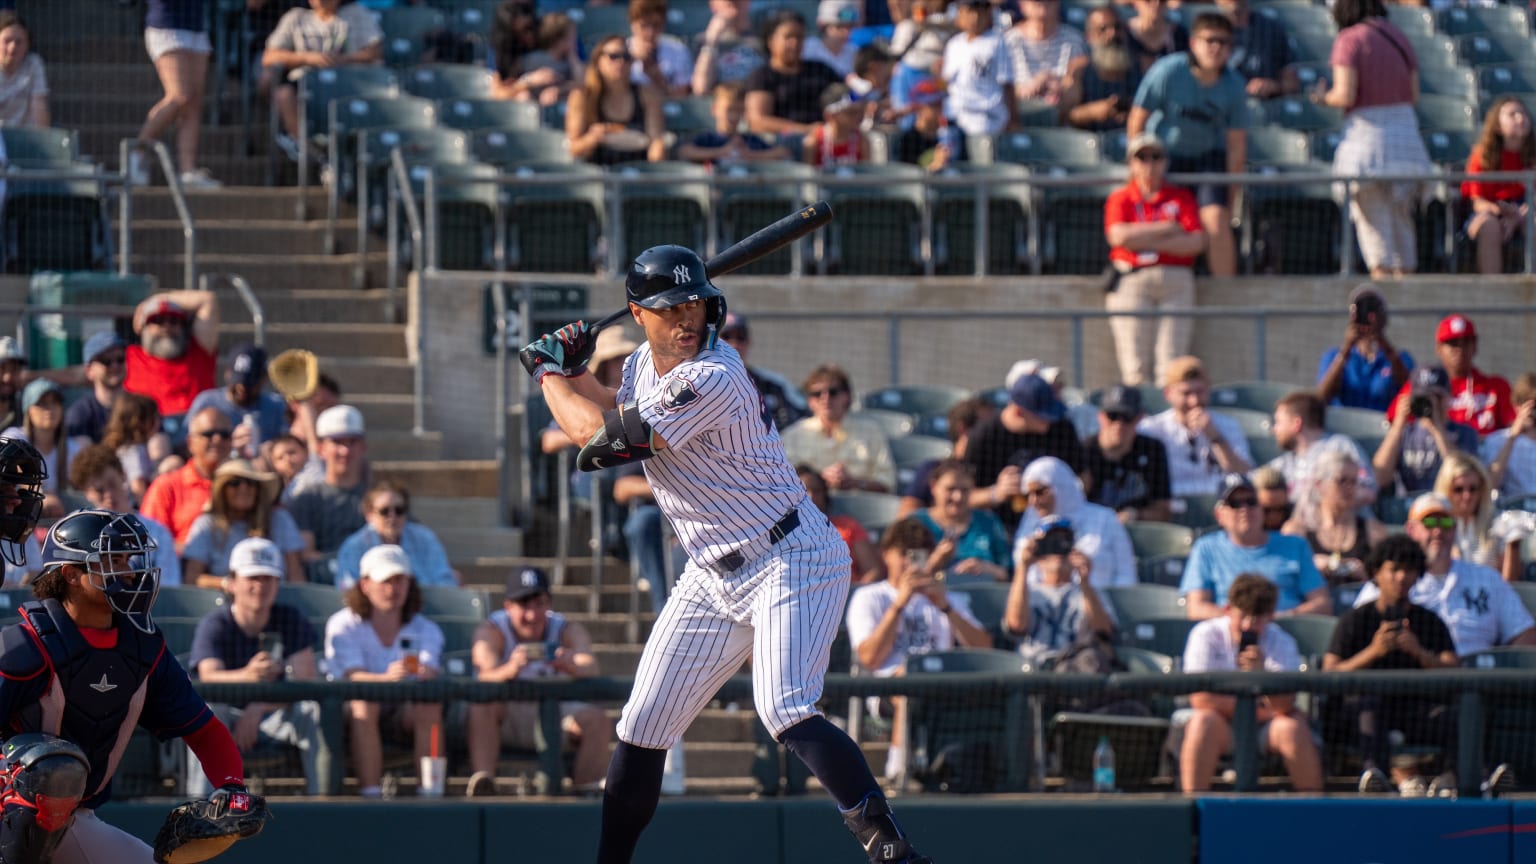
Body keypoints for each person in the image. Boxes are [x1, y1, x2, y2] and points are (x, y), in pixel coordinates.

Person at [525, 243, 937, 863]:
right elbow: (610, 407)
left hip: (790, 555)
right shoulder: (639, 365)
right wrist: (575, 368)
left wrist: (546, 372)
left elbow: (599, 439)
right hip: (711, 573)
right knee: (642, 726)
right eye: (672, 308)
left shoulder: (715, 375)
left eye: (696, 303)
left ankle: (892, 850)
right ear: (639, 314)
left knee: (784, 705)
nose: (689, 318)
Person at [0, 509, 256, 861]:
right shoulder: (25, 646)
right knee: (48, 767)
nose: (128, 570)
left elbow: (204, 730)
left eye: (126, 558)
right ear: (71, 574)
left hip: (72, 819)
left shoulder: (142, 647)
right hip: (11, 813)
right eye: (111, 560)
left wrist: (232, 788)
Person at [845, 517, 991, 782]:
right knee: (907, 681)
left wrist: (945, 606)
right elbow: (869, 658)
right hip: (888, 689)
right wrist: (900, 604)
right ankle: (899, 770)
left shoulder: (946, 597)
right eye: (904, 554)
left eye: (919, 555)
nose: (911, 563)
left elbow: (985, 650)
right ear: (886, 555)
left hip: (944, 685)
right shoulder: (870, 597)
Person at [185, 536, 325, 797]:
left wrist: (259, 706)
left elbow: (306, 682)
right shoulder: (216, 622)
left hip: (275, 716)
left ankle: (323, 801)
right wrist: (248, 676)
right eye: (252, 577)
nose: (260, 585)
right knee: (207, 712)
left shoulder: (290, 617)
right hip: (227, 718)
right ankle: (201, 809)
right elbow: (208, 676)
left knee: (312, 711)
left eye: (268, 578)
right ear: (234, 582)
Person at [1322, 535, 1457, 797]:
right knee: (1368, 706)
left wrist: (1418, 652)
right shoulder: (1355, 619)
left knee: (1457, 716)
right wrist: (1373, 652)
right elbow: (1330, 672)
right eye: (1394, 569)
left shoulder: (1429, 620)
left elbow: (1453, 668)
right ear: (1377, 573)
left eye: (1408, 569)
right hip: (1363, 713)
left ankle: (1455, 778)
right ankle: (1375, 777)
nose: (1401, 577)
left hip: (1416, 710)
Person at [465, 567, 610, 796]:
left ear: (549, 603)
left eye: (539, 604)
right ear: (508, 606)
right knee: (482, 705)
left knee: (598, 721)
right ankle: (485, 782)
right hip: (509, 716)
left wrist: (570, 663)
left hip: (555, 712)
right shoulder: (493, 629)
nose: (532, 615)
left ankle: (586, 793)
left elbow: (591, 666)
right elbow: (483, 675)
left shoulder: (563, 627)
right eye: (524, 605)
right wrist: (510, 669)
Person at [1315, 0, 1431, 280]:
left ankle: (1384, 289)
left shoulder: (1349, 39)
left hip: (1367, 140)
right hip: (1406, 137)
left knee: (1373, 219)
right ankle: (1408, 287)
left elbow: (1345, 95)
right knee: (1401, 217)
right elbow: (1413, 96)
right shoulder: (1400, 36)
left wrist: (1321, 97)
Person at [1127, 12, 1249, 278]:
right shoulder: (1169, 71)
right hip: (1163, 157)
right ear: (1193, 43)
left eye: (1224, 42)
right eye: (1210, 40)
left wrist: (1230, 200)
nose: (1216, 48)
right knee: (1163, 221)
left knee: (1216, 220)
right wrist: (1137, 168)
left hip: (1206, 157)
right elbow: (1137, 119)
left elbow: (1237, 146)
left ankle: (1227, 293)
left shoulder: (1234, 86)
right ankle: (1148, 275)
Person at [1178, 573, 1324, 793]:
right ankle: (1192, 811)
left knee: (1292, 727)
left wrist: (1262, 672)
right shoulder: (1205, 635)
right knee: (1202, 722)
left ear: (1270, 616)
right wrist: (1262, 709)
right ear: (1228, 609)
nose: (1248, 625)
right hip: (1223, 726)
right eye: (1242, 616)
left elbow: (1284, 705)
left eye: (1257, 618)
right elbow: (1201, 699)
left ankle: (1313, 812)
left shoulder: (1282, 641)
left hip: (1266, 730)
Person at [323, 543, 444, 799]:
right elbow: (352, 676)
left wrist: (426, 673)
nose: (393, 588)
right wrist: (386, 679)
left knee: (429, 706)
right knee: (365, 704)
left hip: (404, 710)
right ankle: (371, 795)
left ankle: (431, 793)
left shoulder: (427, 629)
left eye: (400, 580)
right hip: (351, 713)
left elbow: (430, 669)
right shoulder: (342, 625)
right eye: (385, 581)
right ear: (365, 585)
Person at [1354, 492, 1536, 655]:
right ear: (1411, 530)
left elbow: (1524, 633)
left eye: (1446, 522)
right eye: (1430, 523)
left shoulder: (1487, 579)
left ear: (1455, 529)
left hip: (1478, 680)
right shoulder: (1388, 581)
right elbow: (1357, 633)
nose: (1438, 531)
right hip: (1413, 680)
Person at [1103, 131, 1205, 387]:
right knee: (1134, 366)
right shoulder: (1121, 197)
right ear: (1131, 163)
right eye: (1142, 157)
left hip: (1175, 279)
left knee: (1171, 365)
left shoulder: (1180, 196)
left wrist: (1140, 238)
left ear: (1165, 161)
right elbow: (1118, 236)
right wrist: (1169, 228)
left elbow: (1195, 242)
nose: (1149, 164)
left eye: (1156, 157)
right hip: (1132, 278)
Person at [1180, 473, 1331, 620]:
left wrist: (1284, 617)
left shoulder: (1295, 545)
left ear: (1261, 508)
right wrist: (1244, 620)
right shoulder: (1206, 548)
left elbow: (1322, 604)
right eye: (1235, 503)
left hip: (1287, 635)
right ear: (1219, 514)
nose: (1244, 509)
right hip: (1230, 638)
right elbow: (1196, 608)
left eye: (1251, 501)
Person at [966, 372, 1086, 534]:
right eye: (1042, 414)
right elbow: (967, 497)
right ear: (1018, 412)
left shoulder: (1061, 428)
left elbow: (1084, 476)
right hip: (1004, 528)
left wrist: (1064, 495)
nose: (1050, 419)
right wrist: (996, 492)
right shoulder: (984, 437)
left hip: (1059, 523)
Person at [262, 0, 383, 147]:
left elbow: (375, 53)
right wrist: (306, 58)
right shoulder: (295, 17)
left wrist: (341, 59)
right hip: (306, 85)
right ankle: (306, 150)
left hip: (350, 85)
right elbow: (269, 57)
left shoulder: (356, 13)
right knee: (283, 94)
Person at [1013, 455, 1137, 598]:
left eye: (1040, 492)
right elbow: (1024, 580)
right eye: (1028, 494)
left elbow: (1126, 575)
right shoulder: (1029, 524)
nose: (1033, 501)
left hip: (1102, 611)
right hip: (1044, 611)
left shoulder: (1105, 519)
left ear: (1059, 486)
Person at [1006, 513, 1115, 669]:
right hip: (1033, 669)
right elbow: (1016, 625)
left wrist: (1085, 582)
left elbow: (1104, 631)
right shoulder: (1026, 590)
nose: (1057, 554)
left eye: (1063, 542)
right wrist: (1023, 567)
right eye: (1049, 545)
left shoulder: (1090, 591)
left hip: (1075, 672)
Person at [1137, 355, 1254, 497]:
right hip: (1173, 506)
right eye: (1186, 393)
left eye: (1200, 391)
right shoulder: (1152, 429)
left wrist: (1216, 438)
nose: (1194, 401)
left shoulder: (1228, 425)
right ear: (1168, 394)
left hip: (1219, 502)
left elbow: (1244, 475)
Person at [182, 458, 304, 588]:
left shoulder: (280, 519)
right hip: (224, 602)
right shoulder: (206, 525)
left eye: (250, 483)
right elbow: (192, 578)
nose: (244, 488)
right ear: (222, 490)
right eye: (235, 483)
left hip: (278, 602)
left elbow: (296, 577)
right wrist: (229, 585)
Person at [135, 0, 220, 187]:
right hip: (166, 25)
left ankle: (187, 172)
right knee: (180, 96)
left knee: (193, 103)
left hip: (196, 27)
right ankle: (136, 153)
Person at [69, 444, 181, 586]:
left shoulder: (157, 532)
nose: (108, 495)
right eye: (99, 490)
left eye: (112, 484)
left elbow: (169, 586)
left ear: (123, 475)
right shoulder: (80, 535)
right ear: (86, 492)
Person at [1385, 314, 1513, 437]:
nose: (1459, 349)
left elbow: (1515, 430)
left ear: (1475, 346)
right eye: (1453, 343)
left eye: (1465, 342)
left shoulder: (1496, 387)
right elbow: (1391, 423)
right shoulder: (1422, 385)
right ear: (1438, 349)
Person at [780, 364, 896, 494]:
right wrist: (818, 481)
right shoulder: (791, 436)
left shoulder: (871, 431)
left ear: (847, 396)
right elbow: (780, 485)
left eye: (833, 392)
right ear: (810, 401)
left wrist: (855, 483)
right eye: (817, 394)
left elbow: (888, 483)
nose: (825, 399)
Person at [1281, 448, 1388, 584]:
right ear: (1319, 484)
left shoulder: (1373, 531)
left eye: (1353, 481)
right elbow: (1284, 575)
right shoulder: (1296, 531)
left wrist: (1365, 572)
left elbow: (1389, 579)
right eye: (1341, 481)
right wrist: (1311, 565)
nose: (1350, 487)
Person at [123, 291, 220, 434]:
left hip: (197, 437)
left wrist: (156, 300)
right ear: (143, 328)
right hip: (148, 437)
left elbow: (207, 299)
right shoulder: (127, 358)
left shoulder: (200, 352)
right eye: (158, 321)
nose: (166, 327)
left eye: (173, 321)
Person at [1374, 365, 1478, 498]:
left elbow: (1462, 477)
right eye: (1423, 398)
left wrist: (1438, 429)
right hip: (1409, 511)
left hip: (1446, 510)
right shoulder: (1404, 433)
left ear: (1449, 397)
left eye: (1436, 397)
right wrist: (1398, 425)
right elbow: (1379, 478)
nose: (1430, 404)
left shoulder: (1465, 433)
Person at [334, 479, 456, 591]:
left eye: (399, 510)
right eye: (384, 511)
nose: (392, 517)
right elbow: (348, 591)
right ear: (369, 514)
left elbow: (446, 584)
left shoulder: (425, 539)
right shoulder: (354, 547)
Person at [141, 406, 232, 552]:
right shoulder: (166, 486)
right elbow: (150, 543)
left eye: (225, 434)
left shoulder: (243, 486)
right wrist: (196, 552)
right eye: (209, 434)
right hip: (183, 571)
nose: (217, 439)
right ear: (190, 442)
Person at [1266, 390, 1378, 507]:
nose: (1274, 430)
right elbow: (1252, 484)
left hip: (1345, 523)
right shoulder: (1284, 463)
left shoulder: (1340, 446)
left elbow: (1368, 491)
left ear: (1296, 424)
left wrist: (1328, 498)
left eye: (1278, 422)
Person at [567, 34, 667, 166]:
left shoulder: (646, 94)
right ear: (598, 62)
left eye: (626, 57)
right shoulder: (582, 96)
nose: (620, 62)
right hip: (598, 171)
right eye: (613, 56)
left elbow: (656, 140)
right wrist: (594, 138)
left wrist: (655, 166)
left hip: (637, 169)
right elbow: (573, 148)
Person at [1463, 97, 1535, 276]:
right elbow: (1478, 202)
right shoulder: (1482, 156)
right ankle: (1493, 296)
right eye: (1512, 114)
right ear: (1497, 126)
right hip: (1489, 212)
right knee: (1490, 226)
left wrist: (1519, 216)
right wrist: (1503, 212)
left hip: (1525, 211)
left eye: (1523, 113)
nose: (1520, 118)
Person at [746, 9, 844, 138]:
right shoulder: (762, 76)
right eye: (788, 37)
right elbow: (758, 121)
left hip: (828, 139)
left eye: (799, 37)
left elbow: (848, 96)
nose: (795, 43)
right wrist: (804, 130)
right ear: (770, 40)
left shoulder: (821, 69)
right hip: (784, 144)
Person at [1081, 384, 1172, 523]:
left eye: (1127, 417)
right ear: (1100, 416)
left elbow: (1164, 511)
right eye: (1113, 416)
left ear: (1139, 417)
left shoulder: (1152, 450)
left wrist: (1136, 515)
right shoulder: (1083, 451)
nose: (1119, 424)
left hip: (1137, 534)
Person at [1316, 285, 1414, 412]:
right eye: (1361, 309)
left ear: (1383, 316)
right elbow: (1321, 397)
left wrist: (1383, 343)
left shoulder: (1400, 358)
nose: (1367, 315)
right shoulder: (1333, 356)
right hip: (1344, 428)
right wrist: (1346, 350)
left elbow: (1411, 391)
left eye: (1373, 308)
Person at [288, 404, 369, 557]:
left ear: (363, 447)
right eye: (337, 442)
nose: (345, 451)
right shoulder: (307, 498)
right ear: (321, 449)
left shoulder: (378, 498)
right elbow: (307, 555)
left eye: (352, 442)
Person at [913, 459, 1010, 582]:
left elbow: (1009, 574)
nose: (957, 497)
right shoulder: (916, 524)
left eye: (965, 490)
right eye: (950, 489)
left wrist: (988, 569)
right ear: (933, 486)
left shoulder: (989, 522)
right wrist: (936, 561)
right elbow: (912, 577)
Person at [186, 344, 289, 458]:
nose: (242, 388)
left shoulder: (276, 405)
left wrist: (272, 449)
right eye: (237, 381)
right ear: (227, 373)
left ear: (263, 378)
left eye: (249, 383)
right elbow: (186, 445)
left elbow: (293, 445)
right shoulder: (207, 402)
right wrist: (228, 446)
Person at [897, 396, 994, 518]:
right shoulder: (932, 468)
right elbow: (906, 515)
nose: (995, 433)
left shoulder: (994, 470)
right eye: (988, 427)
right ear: (963, 429)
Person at [1432, 453, 1518, 581]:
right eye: (1458, 489)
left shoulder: (1497, 524)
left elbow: (1508, 584)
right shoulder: (1433, 526)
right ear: (1446, 489)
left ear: (1482, 490)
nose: (1467, 496)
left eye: (1473, 489)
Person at [716, 313, 807, 432]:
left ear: (749, 342)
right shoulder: (700, 383)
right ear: (714, 341)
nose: (735, 344)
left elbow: (804, 414)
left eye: (741, 337)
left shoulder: (774, 383)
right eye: (726, 336)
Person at [3, 379, 90, 497]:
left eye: (55, 402)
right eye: (42, 403)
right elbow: (12, 473)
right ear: (28, 410)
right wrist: (42, 495)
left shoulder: (74, 449)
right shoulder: (15, 439)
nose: (50, 409)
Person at [941, 0, 1015, 138]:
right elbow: (945, 83)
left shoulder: (997, 41)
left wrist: (1014, 118)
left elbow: (1007, 84)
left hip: (985, 116)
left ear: (989, 14)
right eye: (970, 12)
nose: (975, 18)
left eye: (981, 12)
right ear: (959, 14)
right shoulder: (954, 44)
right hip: (955, 114)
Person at [677, 82, 790, 165]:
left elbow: (782, 153)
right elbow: (684, 152)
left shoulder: (748, 140)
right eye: (729, 110)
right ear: (715, 109)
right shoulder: (709, 139)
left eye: (739, 111)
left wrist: (750, 155)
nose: (734, 116)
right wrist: (722, 151)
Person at [1063, 7, 1136, 132]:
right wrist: (1093, 112)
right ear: (1089, 37)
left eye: (1117, 27)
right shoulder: (1079, 71)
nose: (1112, 33)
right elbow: (1065, 116)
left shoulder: (1139, 67)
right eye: (1102, 29)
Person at [1004, 0, 1085, 107]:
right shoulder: (1008, 41)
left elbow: (1075, 88)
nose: (1042, 3)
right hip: (1020, 113)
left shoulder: (1074, 40)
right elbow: (1002, 89)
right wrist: (1029, 88)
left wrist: (1054, 83)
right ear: (1022, 5)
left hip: (1062, 114)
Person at [1216, 0, 1297, 100]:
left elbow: (1292, 84)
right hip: (1217, 108)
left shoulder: (1271, 29)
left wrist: (1273, 86)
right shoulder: (1204, 30)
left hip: (1263, 108)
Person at [691, 0, 767, 96]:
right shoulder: (702, 41)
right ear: (712, 4)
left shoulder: (763, 38)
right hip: (721, 103)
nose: (734, 2)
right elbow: (700, 89)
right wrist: (712, 40)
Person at [101, 393, 164, 502]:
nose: (159, 421)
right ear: (141, 423)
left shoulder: (133, 448)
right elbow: (138, 487)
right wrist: (146, 517)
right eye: (155, 417)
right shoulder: (133, 451)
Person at [1483, 373, 1536, 499]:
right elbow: (1490, 485)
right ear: (1516, 405)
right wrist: (1513, 436)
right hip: (1513, 512)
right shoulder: (1497, 441)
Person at [893, 77, 964, 170]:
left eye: (941, 103)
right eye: (934, 105)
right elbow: (907, 177)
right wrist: (935, 165)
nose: (940, 109)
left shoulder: (953, 135)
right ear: (919, 108)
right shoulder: (906, 141)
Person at [628, 0, 694, 99]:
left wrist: (655, 76)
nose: (650, 32)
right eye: (643, 25)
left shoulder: (678, 49)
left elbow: (682, 95)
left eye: (656, 25)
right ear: (632, 23)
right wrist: (630, 61)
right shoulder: (619, 52)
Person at [0, 12, 48, 128]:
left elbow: (39, 104)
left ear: (27, 45)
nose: (12, 47)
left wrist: (42, 140)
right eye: (7, 41)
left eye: (19, 42)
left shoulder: (33, 64)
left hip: (24, 137)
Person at [803, 82, 868, 166]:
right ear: (830, 115)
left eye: (860, 112)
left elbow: (866, 176)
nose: (858, 117)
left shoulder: (861, 141)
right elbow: (808, 175)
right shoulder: (814, 141)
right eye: (851, 113)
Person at [1125, 0, 1186, 75]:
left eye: (1162, 1)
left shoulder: (1178, 35)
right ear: (1135, 3)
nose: (1156, 4)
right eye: (1148, 1)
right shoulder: (1122, 33)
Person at [805, 0, 862, 78]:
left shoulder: (855, 52)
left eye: (850, 27)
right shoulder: (807, 48)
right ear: (823, 25)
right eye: (839, 26)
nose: (846, 32)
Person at [1251, 465, 1292, 533]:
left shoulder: (1297, 518)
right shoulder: (1247, 528)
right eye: (1266, 510)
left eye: (1280, 509)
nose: (1273, 516)